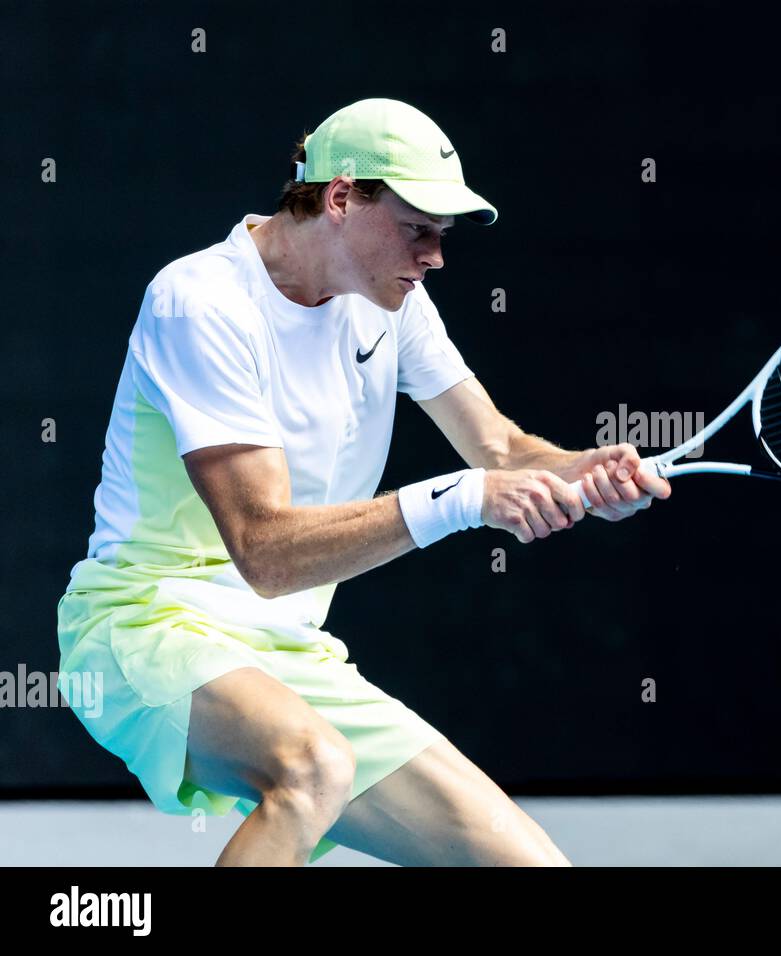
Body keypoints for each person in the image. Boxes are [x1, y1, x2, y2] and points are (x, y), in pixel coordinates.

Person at [55, 98, 670, 866]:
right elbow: (268, 553)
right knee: (313, 767)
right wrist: (464, 500)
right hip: (141, 625)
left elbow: (500, 448)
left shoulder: (394, 304)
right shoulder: (200, 301)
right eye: (418, 229)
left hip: (286, 651)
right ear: (342, 198)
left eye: (441, 237)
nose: (435, 256)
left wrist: (584, 472)